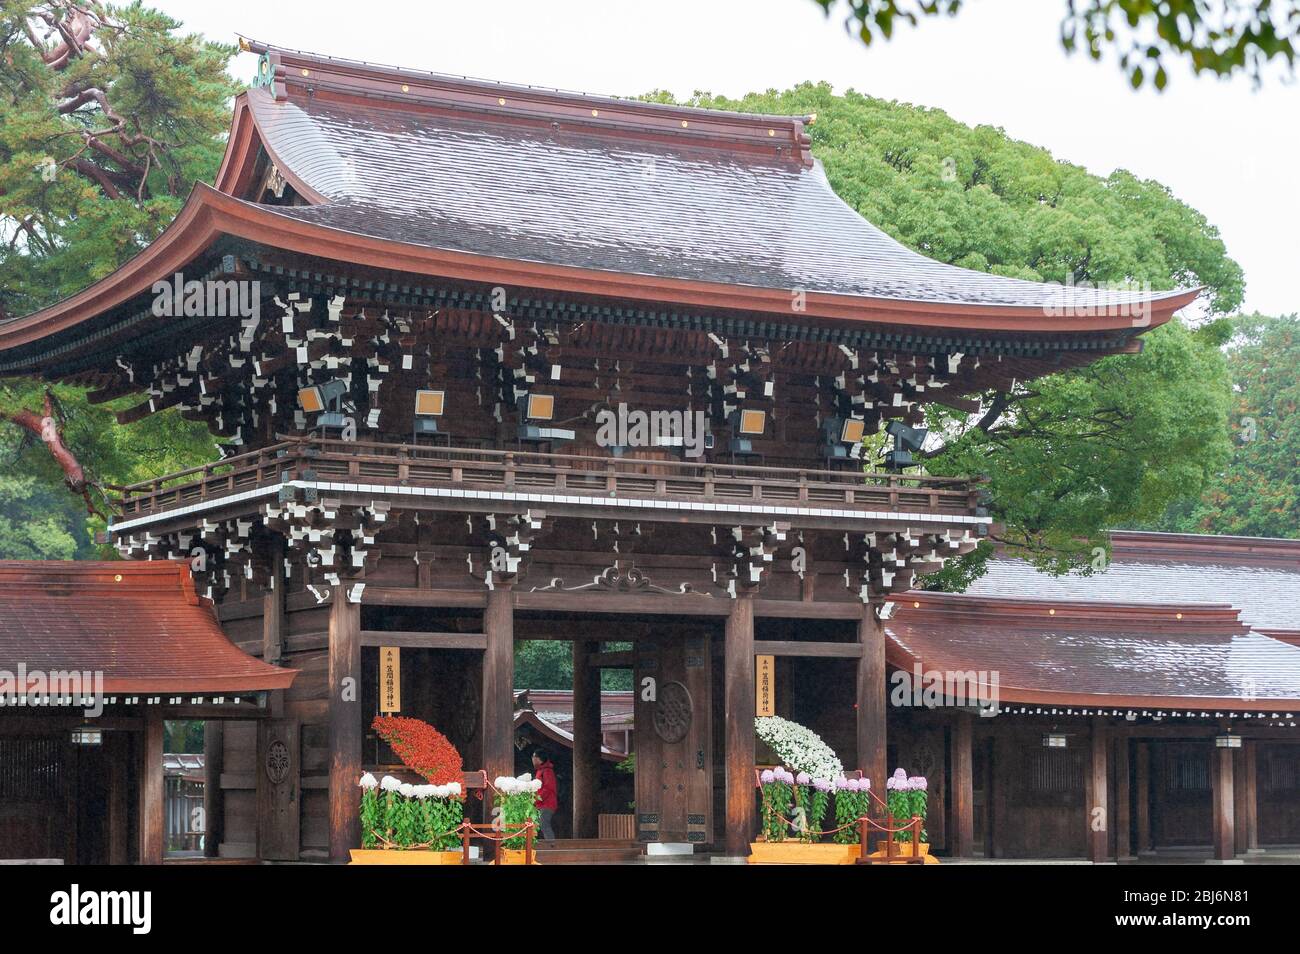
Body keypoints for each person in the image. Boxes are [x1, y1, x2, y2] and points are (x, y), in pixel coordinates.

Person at [531, 748, 558, 841]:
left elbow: (548, 788)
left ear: (539, 759)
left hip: (547, 804)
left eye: (534, 757)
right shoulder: (540, 771)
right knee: (538, 824)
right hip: (541, 804)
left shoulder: (547, 771)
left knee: (544, 824)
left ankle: (551, 846)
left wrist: (536, 799)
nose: (532, 760)